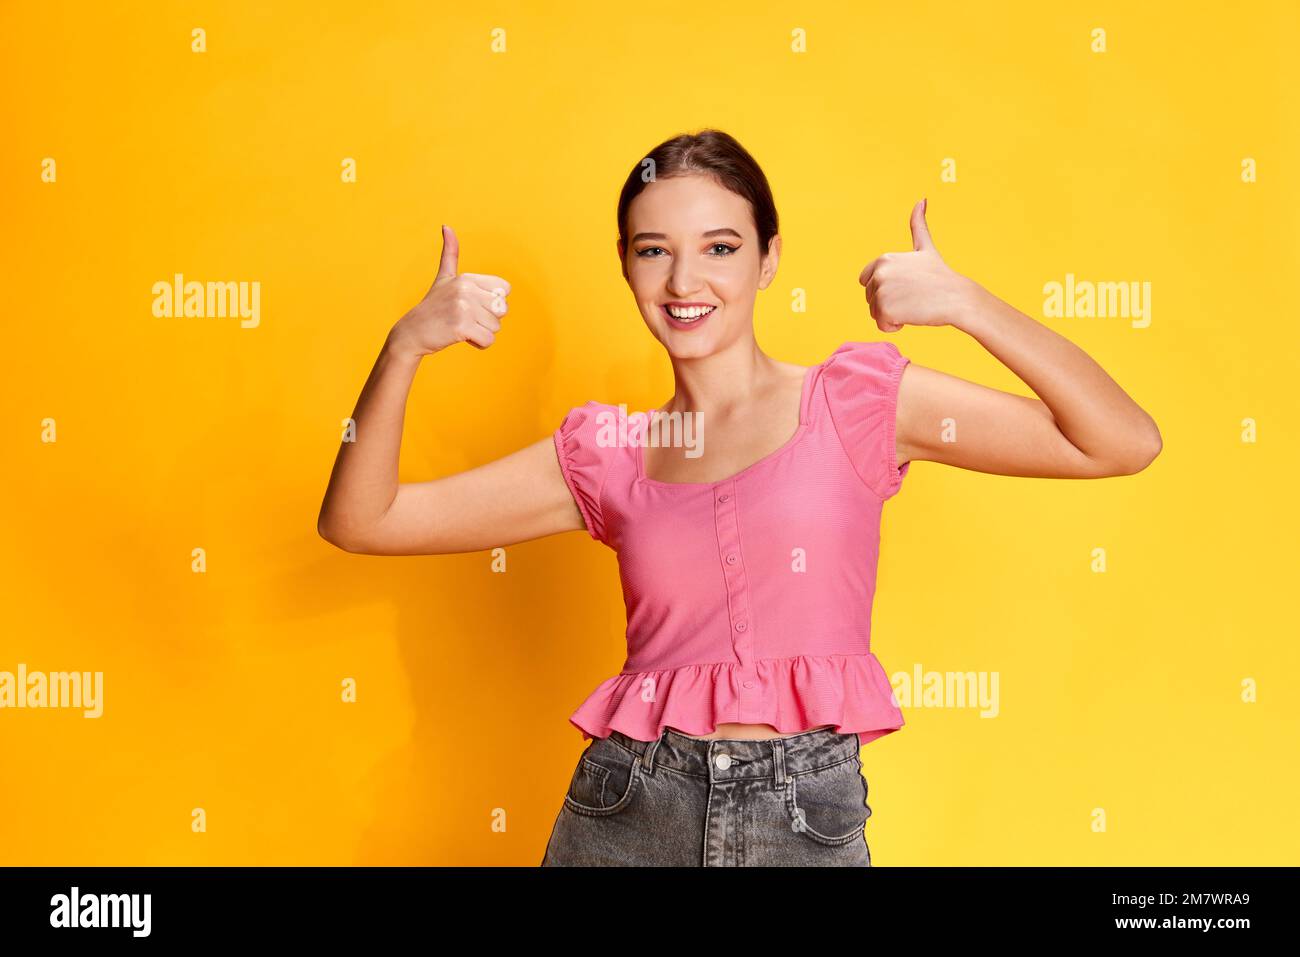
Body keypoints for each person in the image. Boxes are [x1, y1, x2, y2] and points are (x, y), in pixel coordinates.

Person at [317, 129, 1162, 866]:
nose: (685, 277)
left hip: (804, 818)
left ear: (769, 258)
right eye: (653, 249)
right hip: (624, 813)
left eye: (720, 246)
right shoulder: (609, 453)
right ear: (626, 264)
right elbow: (362, 520)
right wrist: (405, 347)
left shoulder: (857, 403)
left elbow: (1120, 441)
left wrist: (968, 306)